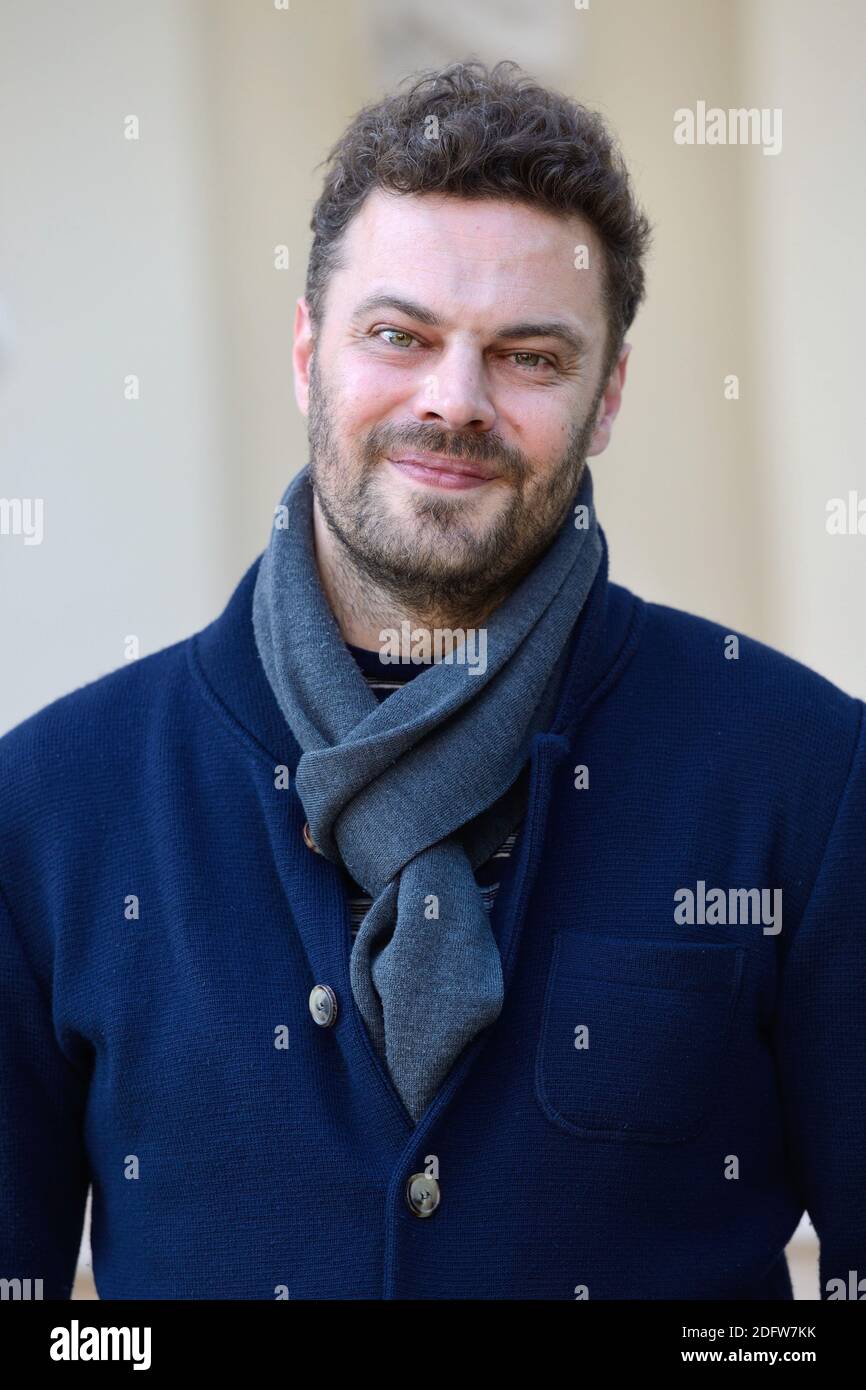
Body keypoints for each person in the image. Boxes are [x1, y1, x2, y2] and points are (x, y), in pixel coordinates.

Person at [1, 59, 864, 1302]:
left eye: (527, 356)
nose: (453, 401)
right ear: (308, 353)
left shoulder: (805, 777)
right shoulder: (50, 807)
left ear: (605, 395)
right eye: (398, 335)